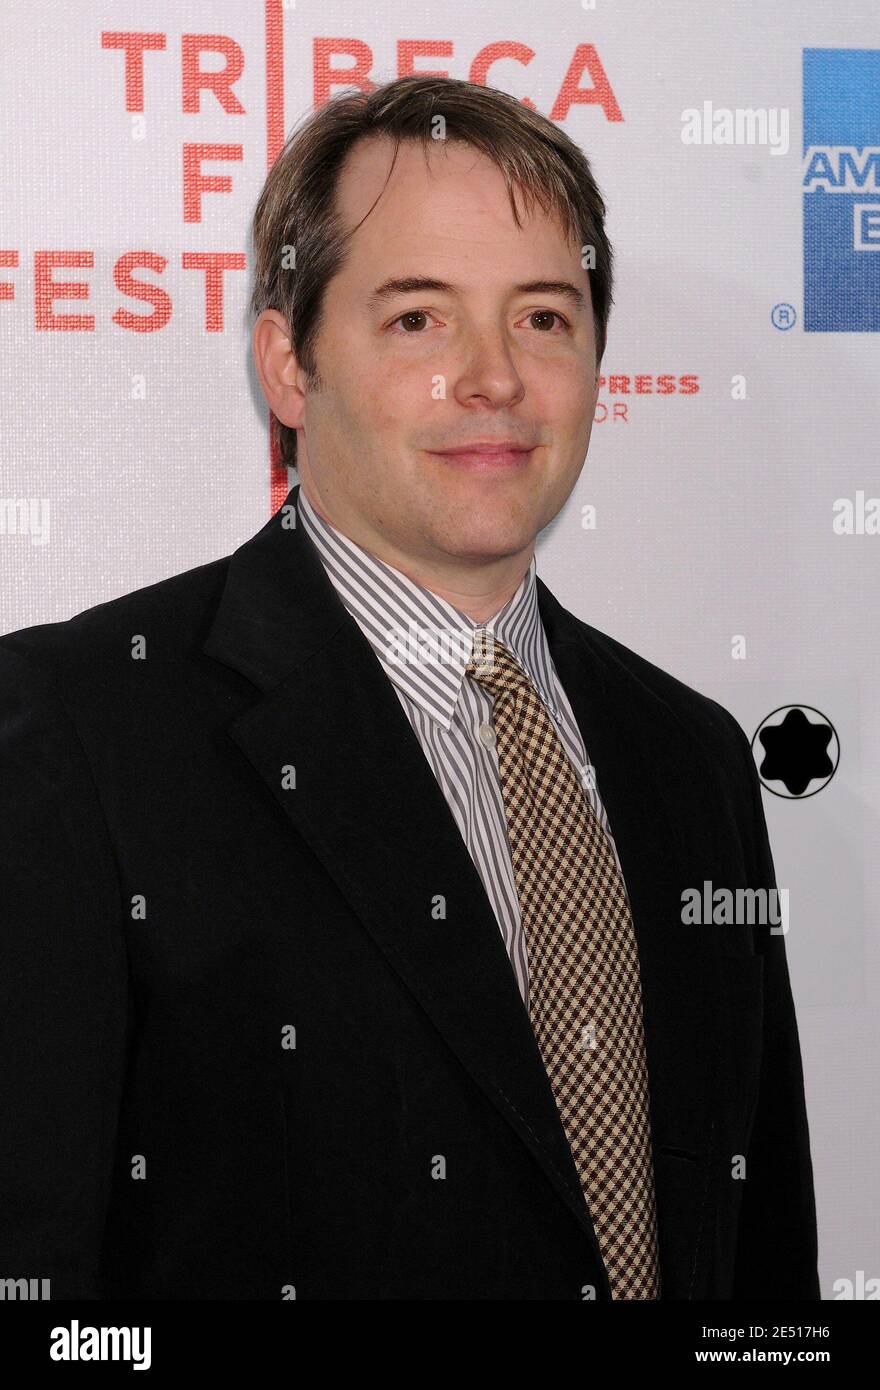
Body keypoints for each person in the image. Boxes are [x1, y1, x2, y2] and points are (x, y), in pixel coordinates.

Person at [0, 75, 819, 1300]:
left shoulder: (693, 755)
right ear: (288, 364)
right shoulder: (78, 724)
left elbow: (760, 1270)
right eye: (417, 320)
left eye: (543, 317)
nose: (492, 378)